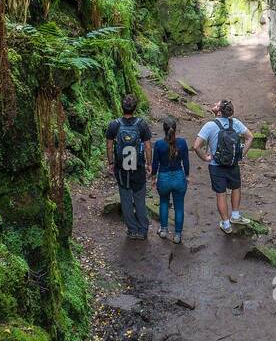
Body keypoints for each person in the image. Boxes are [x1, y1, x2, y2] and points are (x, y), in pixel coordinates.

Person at [193, 98, 253, 234]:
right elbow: (250, 137)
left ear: (219, 112)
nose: (213, 105)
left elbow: (196, 146)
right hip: (233, 163)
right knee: (236, 188)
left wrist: (205, 158)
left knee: (221, 194)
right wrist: (240, 154)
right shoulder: (235, 123)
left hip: (216, 165)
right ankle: (236, 216)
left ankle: (226, 224)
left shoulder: (209, 126)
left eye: (216, 105)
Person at [106, 94, 152, 240]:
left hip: (121, 169)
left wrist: (111, 163)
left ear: (121, 106)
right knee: (139, 199)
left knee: (125, 199)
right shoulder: (141, 124)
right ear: (135, 108)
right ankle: (143, 230)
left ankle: (132, 230)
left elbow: (109, 145)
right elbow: (148, 147)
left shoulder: (114, 125)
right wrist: (149, 164)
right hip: (137, 168)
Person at [151, 116, 190, 244]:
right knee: (179, 207)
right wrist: (187, 176)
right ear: (175, 129)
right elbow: (186, 162)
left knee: (163, 203)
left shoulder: (159, 144)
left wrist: (153, 176)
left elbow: (155, 164)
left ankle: (163, 230)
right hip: (179, 177)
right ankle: (177, 235)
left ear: (163, 129)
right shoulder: (182, 143)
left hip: (164, 177)